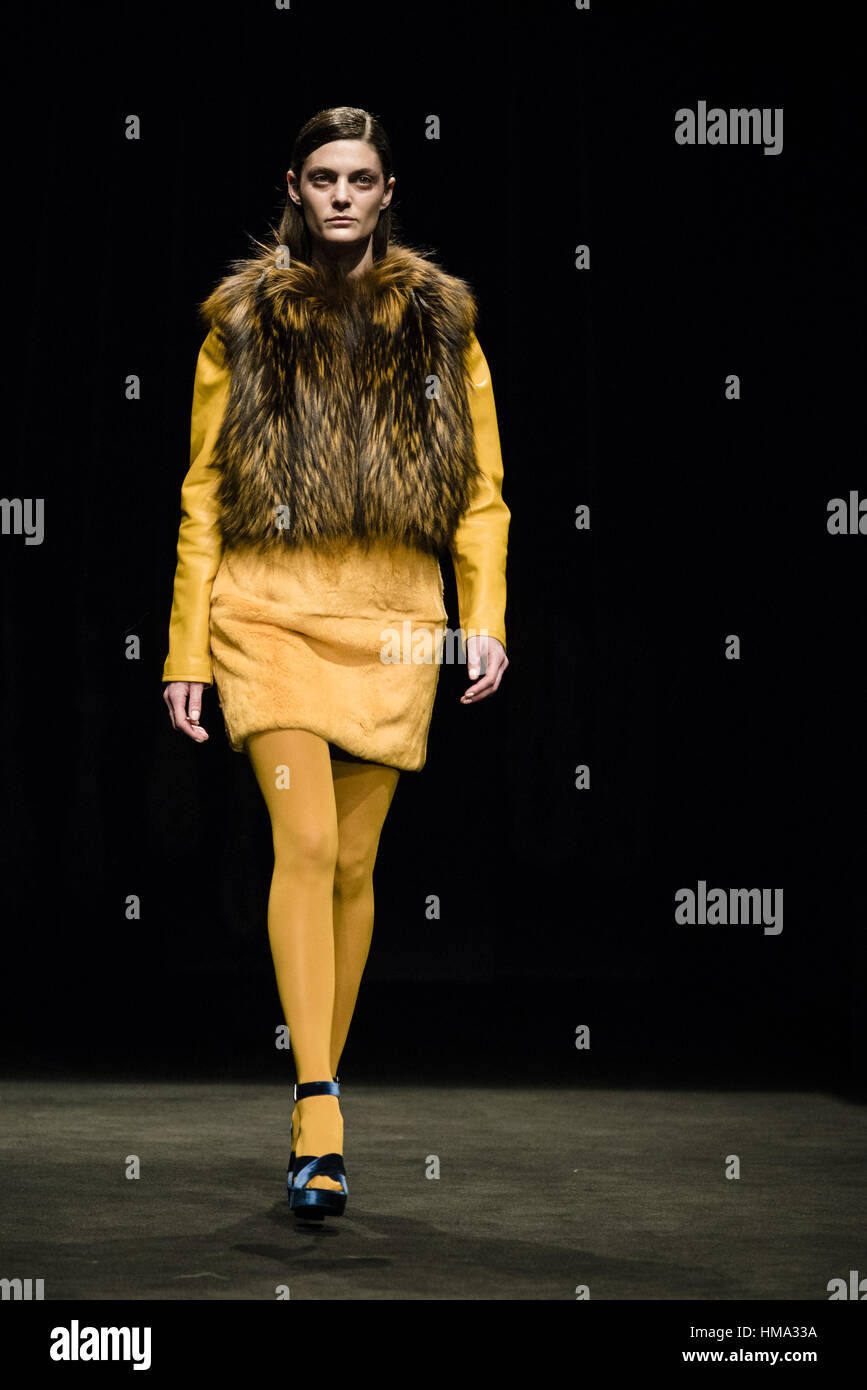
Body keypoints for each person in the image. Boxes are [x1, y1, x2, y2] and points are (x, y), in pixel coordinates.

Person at [161, 106, 510, 1221]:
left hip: (393, 621)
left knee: (354, 870)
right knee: (303, 840)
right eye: (325, 177)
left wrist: (484, 617)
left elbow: (483, 495)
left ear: (389, 189)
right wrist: (185, 650)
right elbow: (203, 492)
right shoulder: (243, 322)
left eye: (362, 177)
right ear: (297, 189)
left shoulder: (444, 326)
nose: (344, 196)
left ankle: (319, 1088)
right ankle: (321, 1108)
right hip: (266, 614)